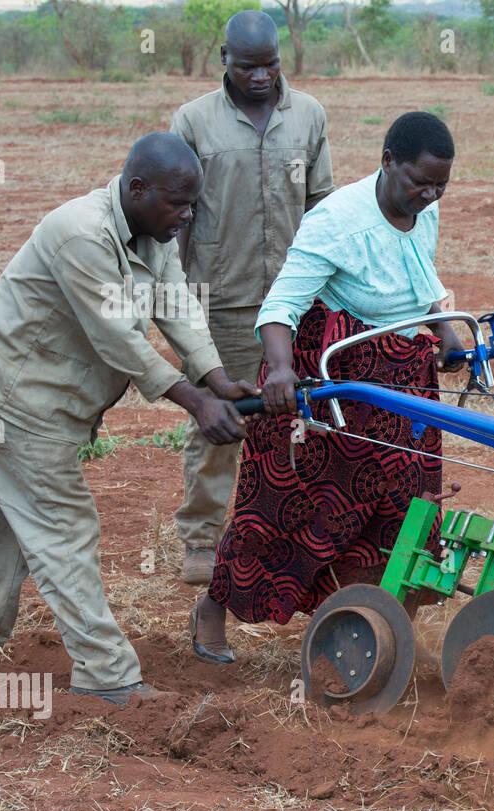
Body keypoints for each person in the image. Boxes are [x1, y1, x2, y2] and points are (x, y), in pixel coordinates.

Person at [0, 132, 257, 705]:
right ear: (136, 188)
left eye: (193, 203)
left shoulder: (151, 227)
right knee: (64, 529)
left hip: (40, 397)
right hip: (13, 399)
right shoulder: (81, 235)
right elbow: (118, 339)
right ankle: (107, 674)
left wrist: (216, 377)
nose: (187, 215)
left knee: (3, 526)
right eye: (178, 203)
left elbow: (175, 300)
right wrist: (195, 402)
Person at [191, 111, 465, 657]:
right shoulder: (337, 220)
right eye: (420, 183)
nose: (430, 195)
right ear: (387, 162)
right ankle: (212, 610)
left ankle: (388, 635)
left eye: (441, 185)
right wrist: (283, 369)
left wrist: (444, 329)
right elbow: (279, 307)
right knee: (287, 504)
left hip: (401, 381)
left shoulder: (423, 209)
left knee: (406, 506)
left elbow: (417, 274)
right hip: (328, 379)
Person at [171, 9, 334, 597]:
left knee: (303, 415)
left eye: (270, 64)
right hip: (223, 299)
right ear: (224, 59)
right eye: (248, 66)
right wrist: (176, 293)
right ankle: (201, 537)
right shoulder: (193, 121)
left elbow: (322, 206)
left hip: (295, 298)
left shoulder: (309, 114)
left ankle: (290, 537)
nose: (261, 76)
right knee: (220, 418)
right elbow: (178, 215)